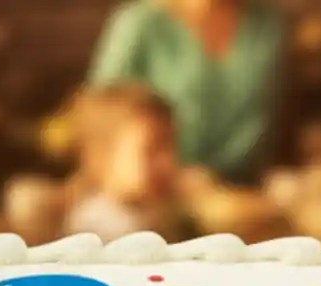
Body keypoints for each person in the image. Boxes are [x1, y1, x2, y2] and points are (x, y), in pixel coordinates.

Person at [88, 0, 286, 185]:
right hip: (158, 188)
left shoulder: (267, 24)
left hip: (250, 190)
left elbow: (275, 118)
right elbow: (99, 121)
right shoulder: (139, 24)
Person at [63, 84, 180, 240]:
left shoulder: (159, 215)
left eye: (170, 148)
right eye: (151, 151)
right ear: (101, 157)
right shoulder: (97, 228)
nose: (167, 163)